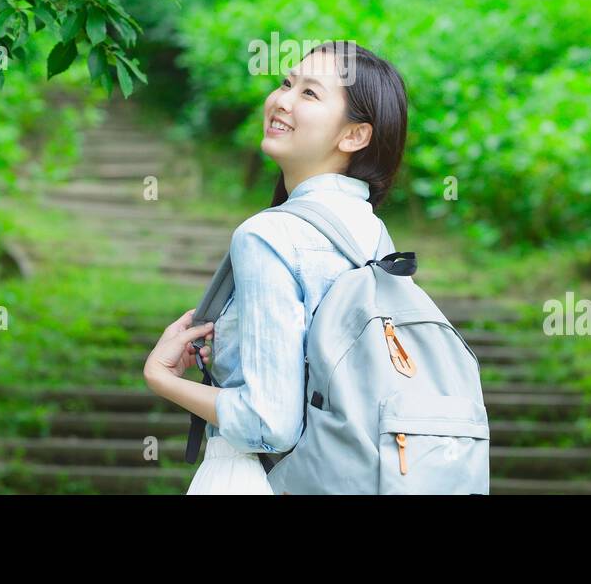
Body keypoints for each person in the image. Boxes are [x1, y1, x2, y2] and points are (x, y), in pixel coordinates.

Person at [143, 40, 409, 494]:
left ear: (354, 136)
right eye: (287, 83)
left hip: (251, 478)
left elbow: (268, 421)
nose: (281, 100)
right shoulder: (375, 238)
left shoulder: (267, 236)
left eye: (309, 93)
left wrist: (162, 378)